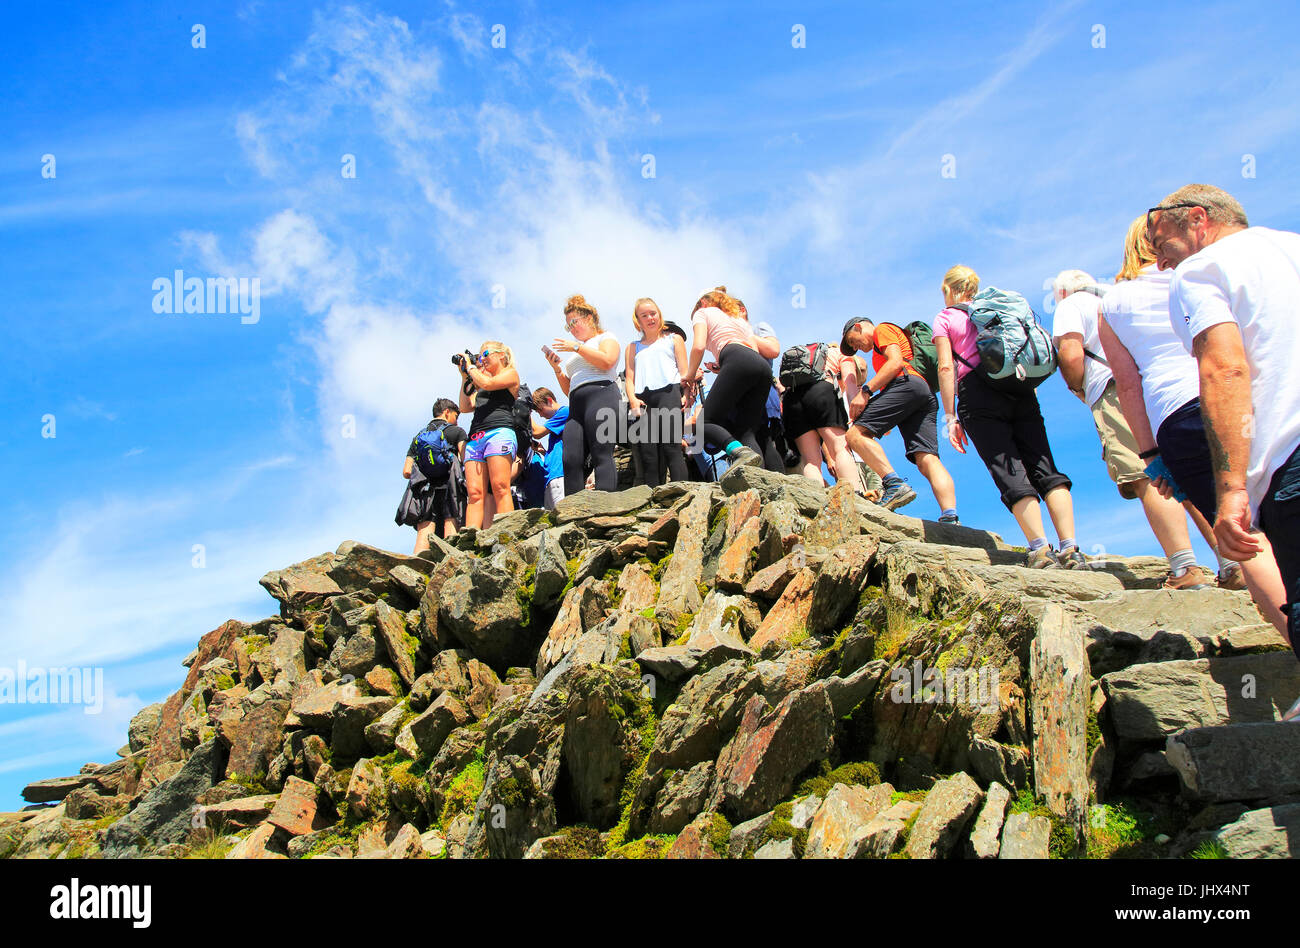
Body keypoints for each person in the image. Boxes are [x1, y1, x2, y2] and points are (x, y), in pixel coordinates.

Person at [1147, 183, 1300, 668]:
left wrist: (1233, 490)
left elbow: (1224, 369)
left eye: (1160, 236)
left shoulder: (1202, 269)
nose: (1159, 258)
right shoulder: (1291, 244)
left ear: (1197, 217)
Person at [1053, 266, 1225, 590]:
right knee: (1186, 474)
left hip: (1114, 389)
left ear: (1062, 292)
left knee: (1147, 474)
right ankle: (1230, 561)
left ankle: (1184, 567)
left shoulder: (1069, 305)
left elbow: (1071, 353)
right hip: (1156, 390)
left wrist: (1077, 387)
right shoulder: (1117, 298)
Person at [932, 265, 1086, 568]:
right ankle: (1071, 548)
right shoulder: (997, 310)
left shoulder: (946, 317)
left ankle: (1040, 550)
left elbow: (946, 368)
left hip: (977, 393)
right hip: (1020, 389)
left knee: (1008, 468)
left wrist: (950, 417)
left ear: (949, 290)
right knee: (1045, 465)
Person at [840, 317, 958, 520]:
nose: (855, 346)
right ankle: (950, 516)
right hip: (923, 392)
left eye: (852, 340)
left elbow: (895, 362)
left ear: (858, 327)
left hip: (905, 382)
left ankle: (894, 484)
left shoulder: (882, 330)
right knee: (926, 458)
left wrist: (865, 391)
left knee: (855, 435)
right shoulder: (881, 345)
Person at [683, 286, 779, 469]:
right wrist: (723, 365)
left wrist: (689, 375)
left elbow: (698, 346)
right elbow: (753, 350)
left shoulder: (702, 312)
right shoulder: (736, 318)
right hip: (760, 367)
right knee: (747, 431)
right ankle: (765, 481)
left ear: (702, 302)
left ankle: (739, 453)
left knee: (705, 422)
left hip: (736, 359)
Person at [545, 294, 622, 494]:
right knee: (571, 458)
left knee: (601, 452)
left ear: (589, 318)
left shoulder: (605, 338)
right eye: (567, 326)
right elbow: (568, 389)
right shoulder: (575, 353)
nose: (571, 329)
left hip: (602, 394)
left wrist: (578, 347)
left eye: (573, 322)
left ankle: (607, 504)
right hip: (577, 404)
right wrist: (557, 369)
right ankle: (573, 510)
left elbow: (607, 361)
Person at [625, 298, 689, 487]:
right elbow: (629, 378)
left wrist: (686, 393)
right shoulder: (632, 347)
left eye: (653, 313)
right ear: (638, 320)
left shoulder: (674, 339)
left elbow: (684, 372)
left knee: (672, 446)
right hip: (643, 400)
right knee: (648, 452)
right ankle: (654, 499)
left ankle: (683, 494)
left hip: (669, 393)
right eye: (644, 315)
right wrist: (633, 400)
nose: (650, 318)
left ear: (659, 314)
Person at [780, 341, 861, 489]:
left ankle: (816, 501)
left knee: (811, 460)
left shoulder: (803, 360)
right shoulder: (841, 354)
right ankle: (854, 494)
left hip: (792, 399)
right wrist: (858, 412)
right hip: (822, 391)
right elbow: (850, 387)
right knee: (840, 448)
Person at [457, 340, 519, 530]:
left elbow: (490, 383)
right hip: (476, 437)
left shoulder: (509, 373)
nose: (481, 359)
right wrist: (464, 377)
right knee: (474, 493)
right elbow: (465, 406)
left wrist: (472, 368)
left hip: (499, 432)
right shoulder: (480, 381)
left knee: (500, 486)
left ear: (501, 355)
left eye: (485, 355)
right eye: (479, 356)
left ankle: (506, 532)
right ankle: (470, 538)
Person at [397, 397, 467, 551]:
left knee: (424, 529)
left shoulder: (419, 437)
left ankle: (418, 566)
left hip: (425, 490)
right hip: (451, 487)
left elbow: (407, 471)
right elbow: (466, 460)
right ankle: (450, 562)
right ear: (447, 412)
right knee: (451, 521)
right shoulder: (457, 432)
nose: (456, 421)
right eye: (456, 416)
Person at [531, 386, 569, 510]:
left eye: (541, 410)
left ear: (549, 401)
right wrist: (543, 452)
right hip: (551, 477)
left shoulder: (564, 412)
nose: (541, 415)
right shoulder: (556, 420)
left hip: (558, 475)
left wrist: (525, 412)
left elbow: (537, 432)